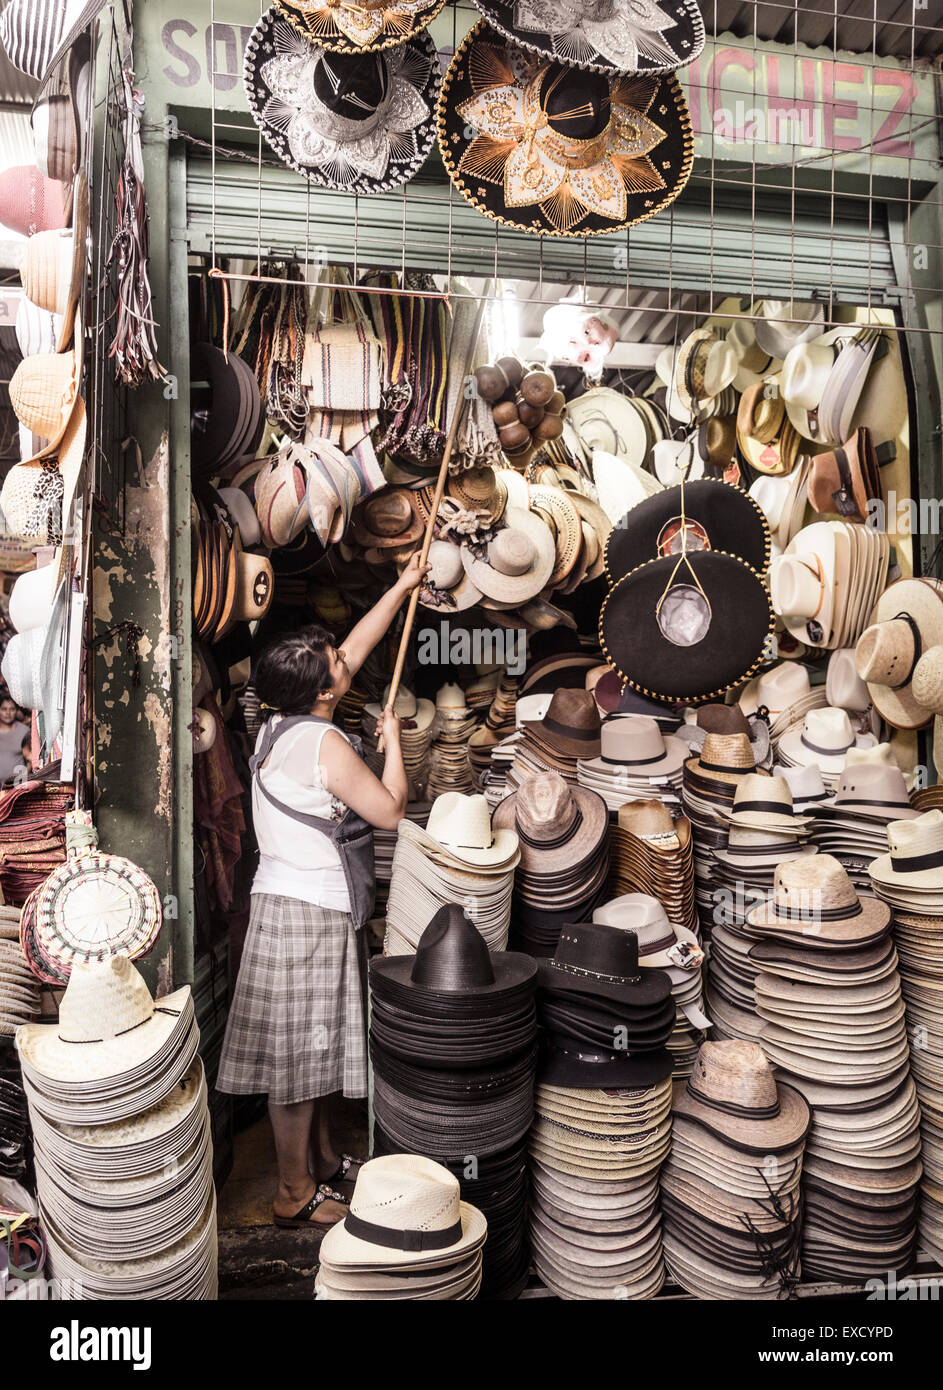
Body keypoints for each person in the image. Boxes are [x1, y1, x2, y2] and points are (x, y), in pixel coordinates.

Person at [217, 553, 429, 1229]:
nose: (345, 658)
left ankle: (325, 1160)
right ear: (324, 692)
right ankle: (292, 1191)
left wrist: (399, 586)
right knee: (299, 1059)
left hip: (290, 906)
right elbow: (390, 811)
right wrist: (391, 741)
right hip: (305, 913)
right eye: (335, 661)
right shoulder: (327, 745)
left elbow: (356, 648)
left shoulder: (281, 724)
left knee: (309, 1053)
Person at [0, 696, 27, 783]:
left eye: (12, 709)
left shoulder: (24, 731)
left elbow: (32, 759)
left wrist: (23, 777)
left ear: (17, 711)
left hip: (16, 785)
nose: (8, 713)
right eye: (4, 709)